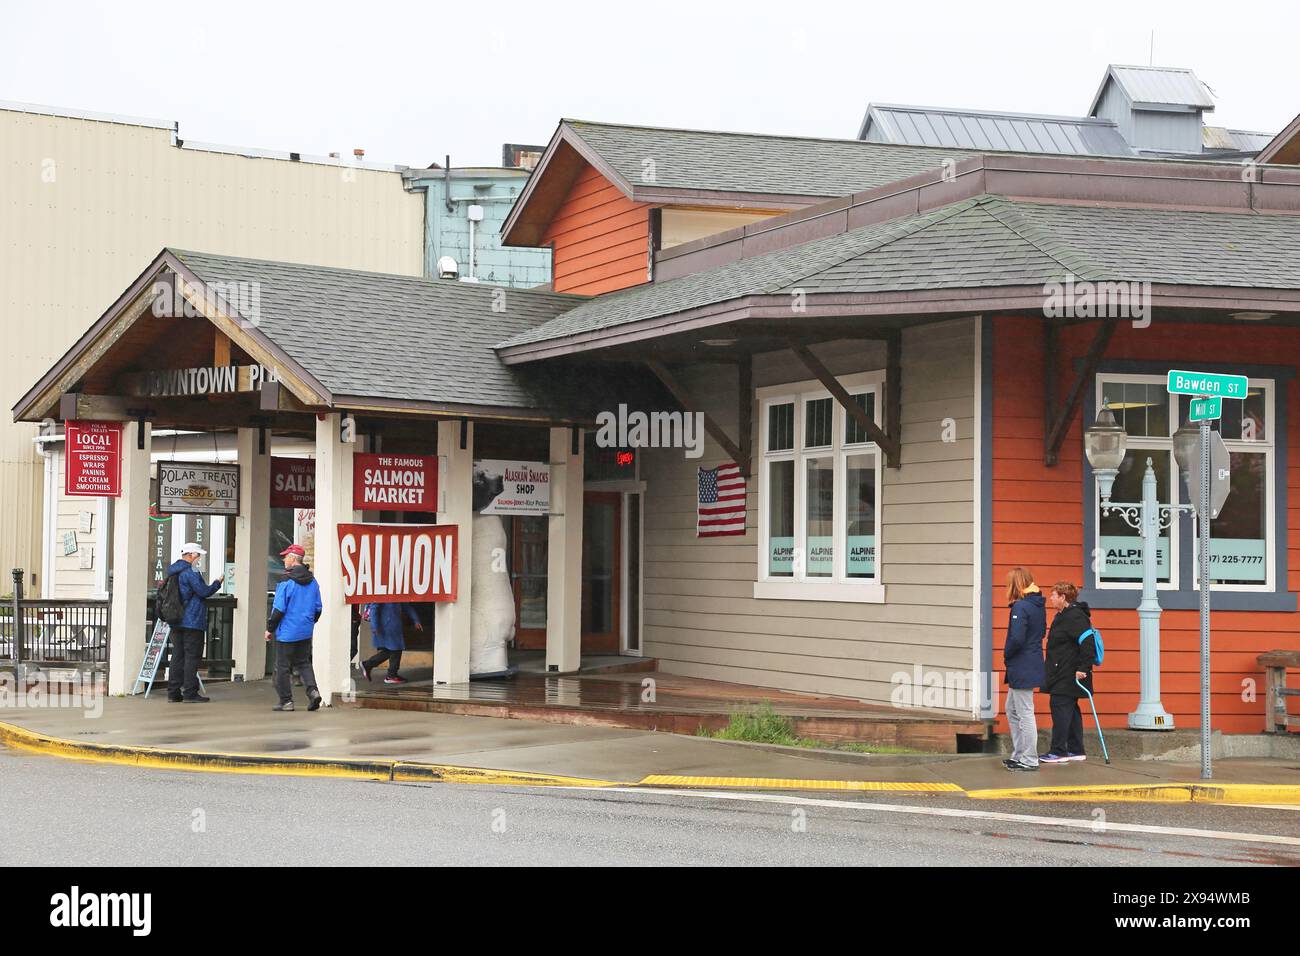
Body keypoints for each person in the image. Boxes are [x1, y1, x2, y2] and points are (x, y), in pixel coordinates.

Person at [1041, 581, 1096, 763]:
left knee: (1060, 708)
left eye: (1054, 595)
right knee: (1071, 711)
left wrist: (1083, 668)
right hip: (1062, 670)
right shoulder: (1063, 615)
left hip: (1069, 673)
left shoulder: (1074, 617)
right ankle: (1076, 749)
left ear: (1063, 597)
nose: (1051, 598)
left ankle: (1058, 751)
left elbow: (1088, 643)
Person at [265, 544, 323, 712]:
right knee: (304, 663)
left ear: (292, 558)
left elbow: (279, 609)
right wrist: (309, 622)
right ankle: (313, 691)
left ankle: (286, 701)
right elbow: (318, 608)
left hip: (287, 632)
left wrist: (270, 629)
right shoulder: (313, 581)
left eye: (285, 557)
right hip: (305, 630)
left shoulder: (286, 581)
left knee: (282, 667)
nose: (284, 560)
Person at [164, 543, 223, 704]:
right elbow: (204, 591)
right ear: (191, 555)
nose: (199, 559)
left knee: (177, 656)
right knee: (191, 657)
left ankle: (173, 692)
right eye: (198, 556)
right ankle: (190, 693)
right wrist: (217, 583)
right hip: (192, 620)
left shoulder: (172, 571)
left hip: (175, 619)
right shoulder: (191, 571)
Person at [1002, 567, 1046, 772]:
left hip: (1021, 664)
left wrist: (1007, 654)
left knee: (1025, 712)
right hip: (1031, 661)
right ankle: (1020, 754)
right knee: (1012, 709)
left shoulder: (1020, 608)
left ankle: (1029, 758)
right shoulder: (1037, 605)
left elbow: (1017, 638)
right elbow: (1041, 632)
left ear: (1016, 584)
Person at [359, 601, 422, 685]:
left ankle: (368, 665)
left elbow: (406, 606)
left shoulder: (398, 593)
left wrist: (416, 620)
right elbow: (374, 609)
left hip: (393, 625)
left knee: (391, 650)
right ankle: (391, 675)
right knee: (396, 649)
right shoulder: (382, 592)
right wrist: (374, 626)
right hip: (386, 626)